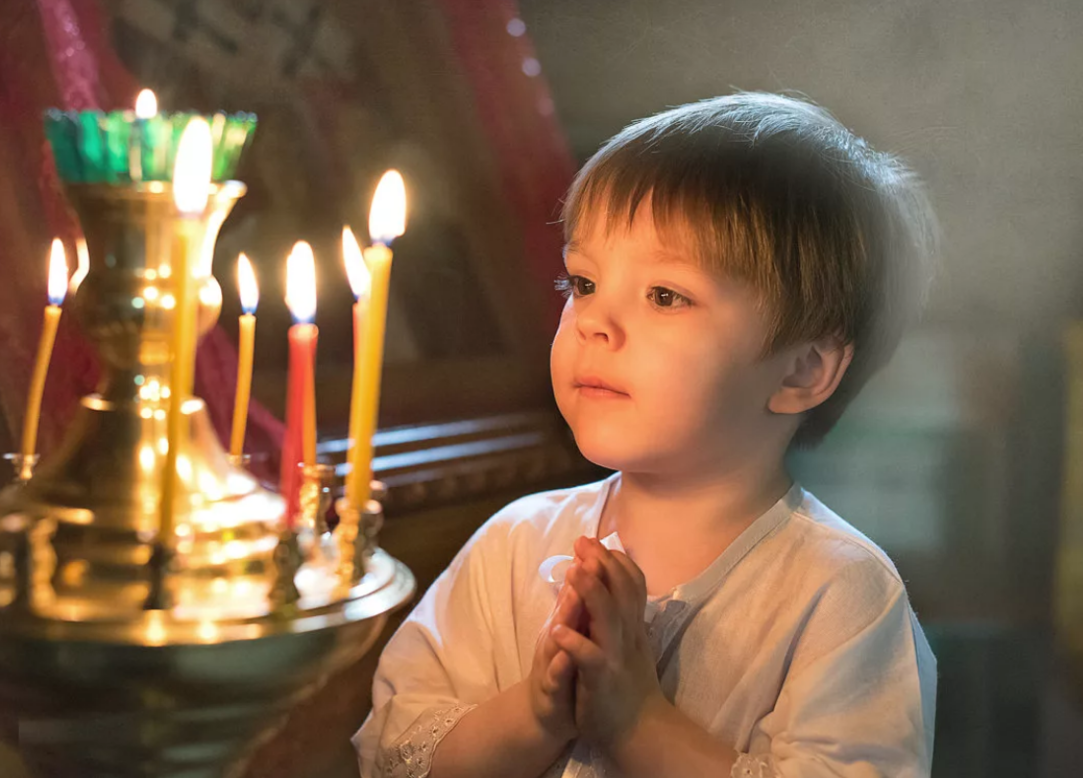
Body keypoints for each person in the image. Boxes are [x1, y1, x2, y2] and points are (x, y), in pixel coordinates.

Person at [352, 92, 939, 778]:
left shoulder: (841, 596)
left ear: (802, 371)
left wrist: (635, 718)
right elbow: (397, 755)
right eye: (584, 280)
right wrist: (537, 713)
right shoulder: (512, 545)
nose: (594, 321)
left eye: (665, 295)